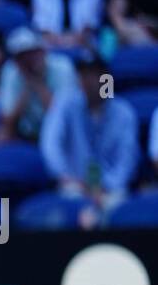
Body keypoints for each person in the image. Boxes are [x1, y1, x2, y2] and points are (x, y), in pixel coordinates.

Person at [39, 51, 139, 210]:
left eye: (94, 74)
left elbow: (127, 160)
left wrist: (106, 186)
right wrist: (64, 176)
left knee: (118, 207)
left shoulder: (123, 112)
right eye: (84, 74)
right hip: (73, 185)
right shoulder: (65, 104)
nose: (88, 80)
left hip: (112, 189)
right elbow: (50, 145)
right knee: (71, 205)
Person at [0, 26, 77, 142]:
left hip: (59, 131)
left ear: (43, 51)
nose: (29, 60)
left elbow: (64, 117)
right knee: (0, 134)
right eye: (22, 56)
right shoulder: (10, 71)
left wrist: (38, 84)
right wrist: (27, 86)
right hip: (26, 132)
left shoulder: (62, 67)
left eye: (33, 53)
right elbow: (7, 120)